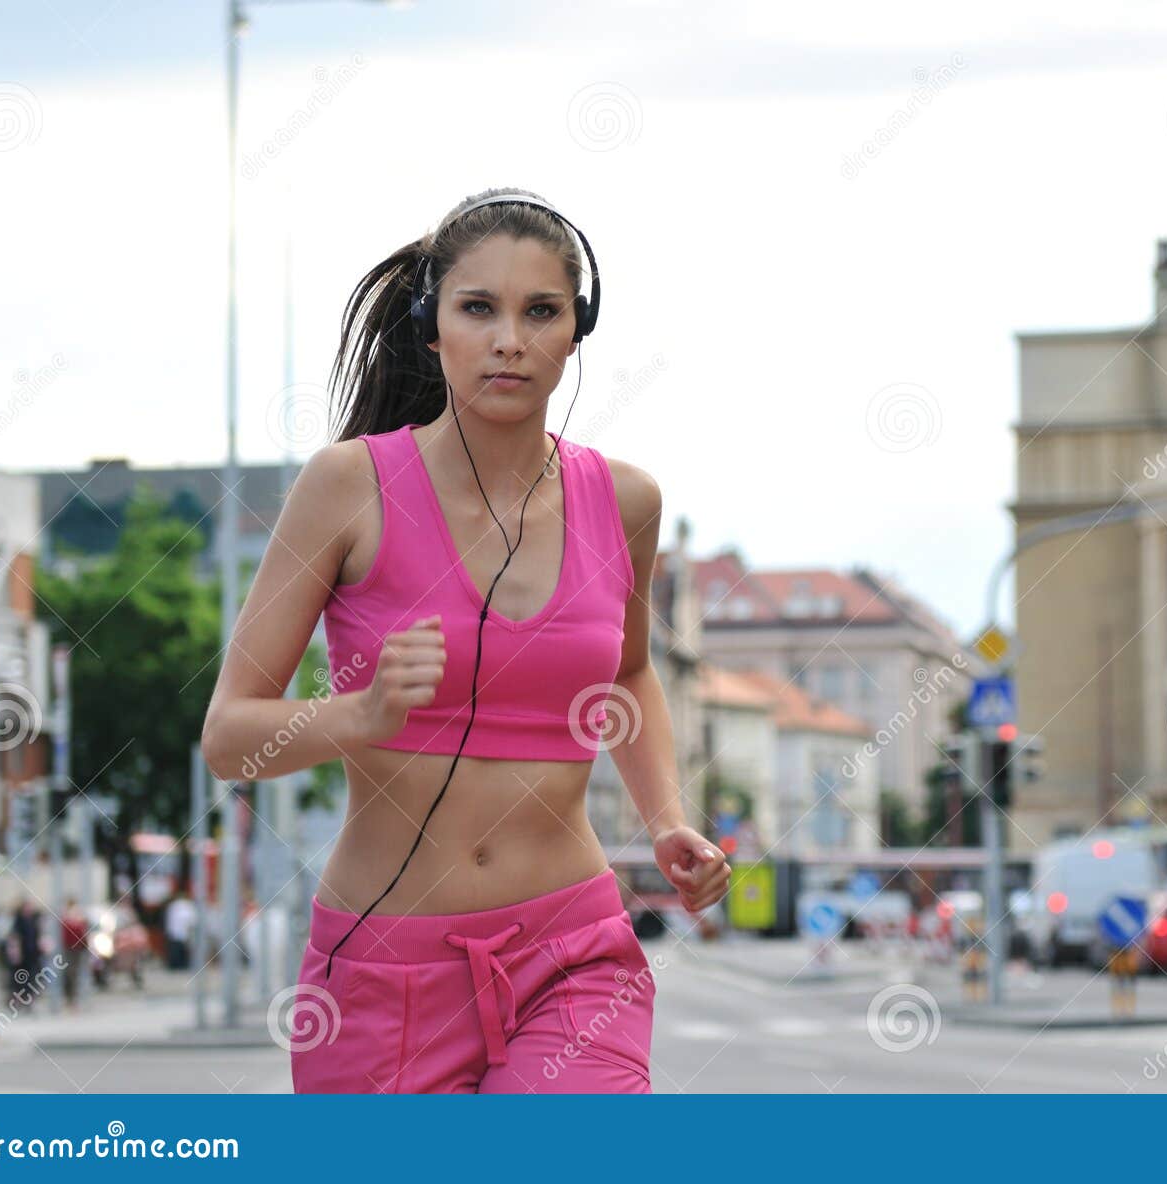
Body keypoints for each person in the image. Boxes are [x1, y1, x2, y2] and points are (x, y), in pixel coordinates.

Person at [201, 188, 729, 1094]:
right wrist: (361, 713)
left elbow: (632, 671)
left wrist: (667, 818)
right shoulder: (347, 487)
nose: (509, 339)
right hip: (380, 974)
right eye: (478, 308)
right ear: (434, 327)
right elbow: (228, 737)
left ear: (576, 332)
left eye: (542, 312)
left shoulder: (626, 502)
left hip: (572, 954)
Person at [60, 897, 90, 1009]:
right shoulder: (66, 917)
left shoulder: (79, 917)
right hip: (68, 949)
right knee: (69, 974)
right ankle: (70, 998)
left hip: (77, 949)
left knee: (74, 974)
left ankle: (73, 999)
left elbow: (83, 932)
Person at [164, 889, 196, 970]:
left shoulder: (173, 905)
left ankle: (175, 965)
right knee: (182, 951)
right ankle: (182, 965)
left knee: (176, 950)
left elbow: (169, 919)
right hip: (183, 931)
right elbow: (192, 920)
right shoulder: (188, 905)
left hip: (175, 932)